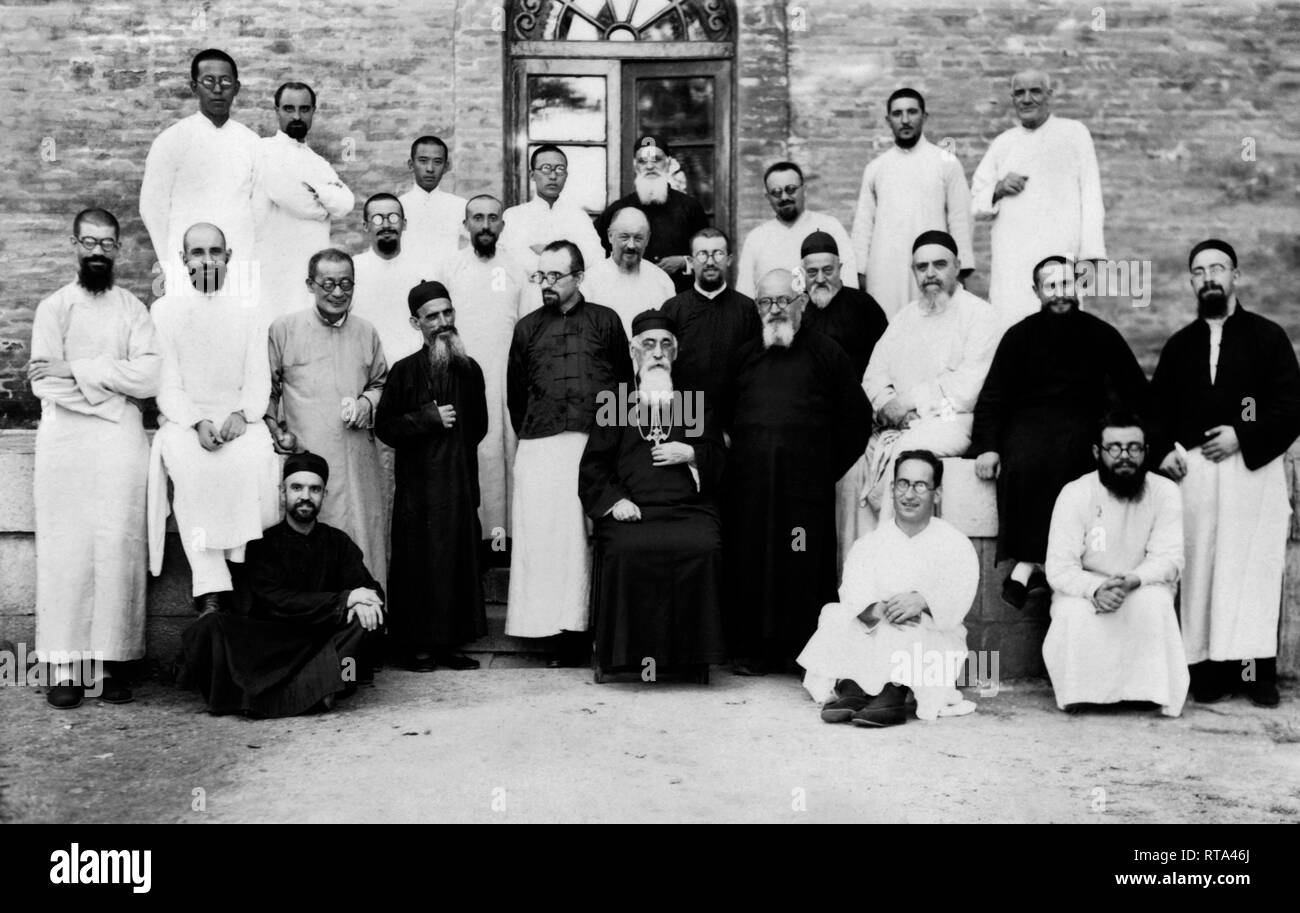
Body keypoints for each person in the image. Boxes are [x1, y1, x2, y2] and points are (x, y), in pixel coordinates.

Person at [1149, 239, 1300, 707]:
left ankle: (1257, 673)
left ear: (1237, 276)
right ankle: (1207, 670)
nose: (1209, 277)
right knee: (1201, 568)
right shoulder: (1179, 346)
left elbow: (1290, 405)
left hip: (1251, 471)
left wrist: (1243, 434)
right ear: (1192, 282)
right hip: (1195, 475)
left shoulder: (1267, 337)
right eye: (1199, 270)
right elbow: (1159, 411)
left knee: (1251, 566)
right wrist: (1163, 452)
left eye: (1218, 268)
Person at [28, 208, 162, 709]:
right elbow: (44, 381)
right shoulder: (53, 308)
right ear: (74, 245)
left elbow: (150, 380)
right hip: (65, 445)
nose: (98, 252)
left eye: (107, 243)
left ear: (119, 249)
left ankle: (108, 664)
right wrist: (111, 390)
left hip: (120, 448)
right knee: (67, 553)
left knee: (114, 549)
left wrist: (78, 371)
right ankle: (62, 667)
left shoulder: (134, 310)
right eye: (89, 242)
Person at [971, 255, 1148, 609]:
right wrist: (987, 446)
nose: (1060, 294)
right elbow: (993, 396)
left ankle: (1032, 566)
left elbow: (1138, 391)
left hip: (1086, 421)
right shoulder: (1019, 336)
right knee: (1027, 460)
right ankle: (1034, 561)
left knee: (1073, 456)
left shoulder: (1102, 334)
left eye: (1066, 284)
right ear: (1037, 291)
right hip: (1029, 422)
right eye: (1051, 286)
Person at [724, 269, 870, 674]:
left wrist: (822, 472)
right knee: (753, 565)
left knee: (802, 565)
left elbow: (857, 420)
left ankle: (805, 655)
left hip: (805, 496)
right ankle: (755, 652)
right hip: (753, 493)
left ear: (801, 303)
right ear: (756, 308)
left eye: (783, 301)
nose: (775, 310)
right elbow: (722, 421)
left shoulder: (827, 354)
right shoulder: (743, 356)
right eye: (765, 302)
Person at [176, 452, 385, 718]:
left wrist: (365, 600)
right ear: (283, 493)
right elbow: (275, 600)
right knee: (211, 627)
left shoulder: (338, 542)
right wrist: (345, 599)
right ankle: (322, 688)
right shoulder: (263, 544)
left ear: (324, 495)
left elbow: (369, 588)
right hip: (275, 642)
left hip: (321, 639)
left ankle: (342, 681)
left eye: (315, 489)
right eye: (297, 488)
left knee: (369, 619)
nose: (306, 496)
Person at [579, 310, 726, 682]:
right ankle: (625, 657)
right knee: (628, 550)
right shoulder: (617, 401)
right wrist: (616, 502)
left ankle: (693, 658)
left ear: (675, 353)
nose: (657, 353)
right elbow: (594, 467)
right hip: (634, 512)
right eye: (649, 345)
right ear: (634, 353)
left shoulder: (692, 401)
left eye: (665, 345)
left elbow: (720, 458)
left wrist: (691, 454)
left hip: (687, 510)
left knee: (703, 546)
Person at [505, 241, 633, 665]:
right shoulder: (526, 328)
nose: (546, 284)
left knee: (581, 542)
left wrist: (611, 450)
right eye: (540, 276)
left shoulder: (606, 322)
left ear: (578, 277)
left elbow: (623, 390)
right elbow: (515, 397)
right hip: (540, 447)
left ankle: (585, 631)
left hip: (591, 446)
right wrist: (536, 436)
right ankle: (547, 632)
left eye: (555, 276)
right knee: (542, 541)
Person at [147, 222, 281, 617]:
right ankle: (211, 589)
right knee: (192, 469)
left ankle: (242, 573)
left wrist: (244, 414)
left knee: (255, 459)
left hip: (239, 417)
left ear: (228, 258)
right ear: (183, 259)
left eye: (215, 251)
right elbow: (166, 383)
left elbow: (260, 375)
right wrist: (195, 421)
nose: (207, 260)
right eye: (197, 252)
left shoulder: (250, 308)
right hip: (186, 420)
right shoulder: (165, 310)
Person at [842, 231, 997, 565]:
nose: (930, 274)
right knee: (853, 468)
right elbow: (874, 377)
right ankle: (857, 571)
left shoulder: (980, 316)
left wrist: (911, 403)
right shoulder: (905, 317)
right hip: (899, 422)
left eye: (939, 264)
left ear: (957, 266)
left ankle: (892, 563)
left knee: (905, 455)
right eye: (921, 266)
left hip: (952, 420)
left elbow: (968, 389)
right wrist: (890, 409)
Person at [798, 450, 979, 726]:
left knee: (909, 627)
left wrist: (923, 601)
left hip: (930, 636)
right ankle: (855, 689)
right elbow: (853, 592)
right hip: (877, 628)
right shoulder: (870, 543)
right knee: (835, 614)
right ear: (892, 489)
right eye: (903, 484)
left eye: (920, 486)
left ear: (937, 494)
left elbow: (959, 597)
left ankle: (892, 693)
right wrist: (875, 609)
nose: (909, 494)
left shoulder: (954, 544)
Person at [1043, 412, 1188, 717]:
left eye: (1134, 448)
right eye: (1115, 448)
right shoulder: (1075, 493)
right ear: (1098, 452)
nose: (1125, 457)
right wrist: (1095, 588)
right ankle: (1082, 694)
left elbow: (1170, 559)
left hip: (1142, 584)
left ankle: (1149, 693)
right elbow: (1059, 567)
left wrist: (1131, 580)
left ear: (1146, 452)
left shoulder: (1166, 492)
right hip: (1086, 587)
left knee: (1154, 605)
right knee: (1071, 611)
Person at [376, 281, 489, 671]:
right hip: (419, 493)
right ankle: (419, 648)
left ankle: (451, 645)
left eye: (448, 313)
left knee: (457, 562)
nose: (443, 322)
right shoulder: (404, 371)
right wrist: (426, 419)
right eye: (432, 317)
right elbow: (385, 427)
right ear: (415, 322)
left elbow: (479, 427)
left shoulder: (470, 370)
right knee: (421, 566)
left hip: (458, 485)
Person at [266, 249, 389, 588]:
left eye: (346, 283)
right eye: (328, 284)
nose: (338, 292)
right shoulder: (284, 329)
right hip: (307, 464)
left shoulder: (367, 332)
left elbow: (381, 383)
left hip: (356, 464)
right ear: (310, 284)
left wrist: (366, 402)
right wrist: (275, 430)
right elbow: (267, 391)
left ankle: (368, 625)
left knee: (362, 541)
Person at [971, 70, 1105, 323]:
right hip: (1012, 261)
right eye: (1019, 93)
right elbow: (976, 203)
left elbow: (1091, 196)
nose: (1027, 99)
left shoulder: (1074, 133)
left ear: (1049, 96)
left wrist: (1089, 257)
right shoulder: (1003, 143)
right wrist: (998, 188)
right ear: (1012, 98)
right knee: (1011, 326)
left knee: (1063, 327)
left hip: (1059, 253)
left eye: (1035, 91)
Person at [436, 196, 530, 552]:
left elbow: (526, 326)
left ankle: (504, 540)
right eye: (478, 218)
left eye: (493, 218)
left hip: (508, 376)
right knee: (472, 455)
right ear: (466, 225)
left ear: (502, 226)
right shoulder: (449, 267)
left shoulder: (518, 268)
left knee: (506, 453)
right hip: (462, 376)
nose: (486, 225)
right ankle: (470, 540)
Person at [140, 50, 259, 289]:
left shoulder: (252, 142)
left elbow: (260, 208)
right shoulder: (172, 140)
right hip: (187, 263)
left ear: (236, 87)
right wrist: (171, 262)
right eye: (209, 81)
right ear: (194, 87)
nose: (217, 89)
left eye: (225, 81)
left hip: (240, 261)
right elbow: (152, 207)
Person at [851, 88, 975, 318]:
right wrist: (859, 271)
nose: (905, 120)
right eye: (897, 114)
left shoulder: (945, 163)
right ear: (889, 120)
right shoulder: (877, 168)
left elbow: (960, 217)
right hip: (886, 268)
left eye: (912, 112)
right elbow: (863, 224)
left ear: (924, 117)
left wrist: (961, 269)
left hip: (931, 266)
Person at [253, 82, 355, 322]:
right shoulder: (264, 150)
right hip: (275, 269)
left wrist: (316, 190)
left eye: (304, 109)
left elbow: (345, 203)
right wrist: (323, 209)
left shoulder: (318, 162)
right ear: (277, 110)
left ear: (313, 112)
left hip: (311, 266)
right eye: (289, 108)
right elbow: (286, 195)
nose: (297, 116)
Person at [658, 228, 759, 415]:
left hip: (735, 419)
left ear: (729, 260)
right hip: (686, 418)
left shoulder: (748, 310)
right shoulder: (673, 309)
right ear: (690, 261)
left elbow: (755, 373)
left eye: (718, 254)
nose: (710, 262)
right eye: (702, 254)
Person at [596, 134, 708, 294]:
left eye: (657, 160)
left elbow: (709, 253)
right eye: (642, 161)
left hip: (680, 299)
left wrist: (684, 262)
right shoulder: (618, 209)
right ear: (635, 166)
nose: (650, 166)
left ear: (668, 164)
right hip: (629, 295)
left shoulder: (690, 207)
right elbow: (596, 254)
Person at [498, 144, 604, 306]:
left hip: (570, 303)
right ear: (532, 175)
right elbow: (510, 261)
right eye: (546, 168)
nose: (553, 176)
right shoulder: (514, 216)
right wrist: (567, 259)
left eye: (560, 169)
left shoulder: (579, 217)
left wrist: (543, 253)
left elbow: (595, 258)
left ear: (566, 175)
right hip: (529, 300)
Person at [736, 162, 859, 298]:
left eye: (790, 189)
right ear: (768, 197)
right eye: (776, 192)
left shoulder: (830, 227)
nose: (784, 197)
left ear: (804, 189)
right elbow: (745, 295)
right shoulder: (756, 238)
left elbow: (849, 285)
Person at [798, 230, 887, 380]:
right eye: (812, 272)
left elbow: (886, 358)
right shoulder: (796, 309)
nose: (820, 279)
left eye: (827, 270)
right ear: (803, 274)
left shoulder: (864, 306)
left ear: (839, 269)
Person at [350, 193, 426, 369]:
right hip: (366, 373)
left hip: (413, 374)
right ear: (365, 226)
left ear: (404, 224)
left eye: (393, 218)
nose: (385, 225)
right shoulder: (352, 269)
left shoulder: (423, 269)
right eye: (377, 219)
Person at [581, 206, 676, 336]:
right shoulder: (590, 281)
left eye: (638, 238)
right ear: (610, 236)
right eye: (624, 237)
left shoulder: (661, 280)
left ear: (647, 239)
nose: (631, 245)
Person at [398, 135, 466, 264]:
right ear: (411, 164)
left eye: (437, 162)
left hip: (447, 281)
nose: (430, 169)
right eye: (423, 161)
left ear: (446, 167)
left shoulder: (459, 206)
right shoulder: (398, 206)